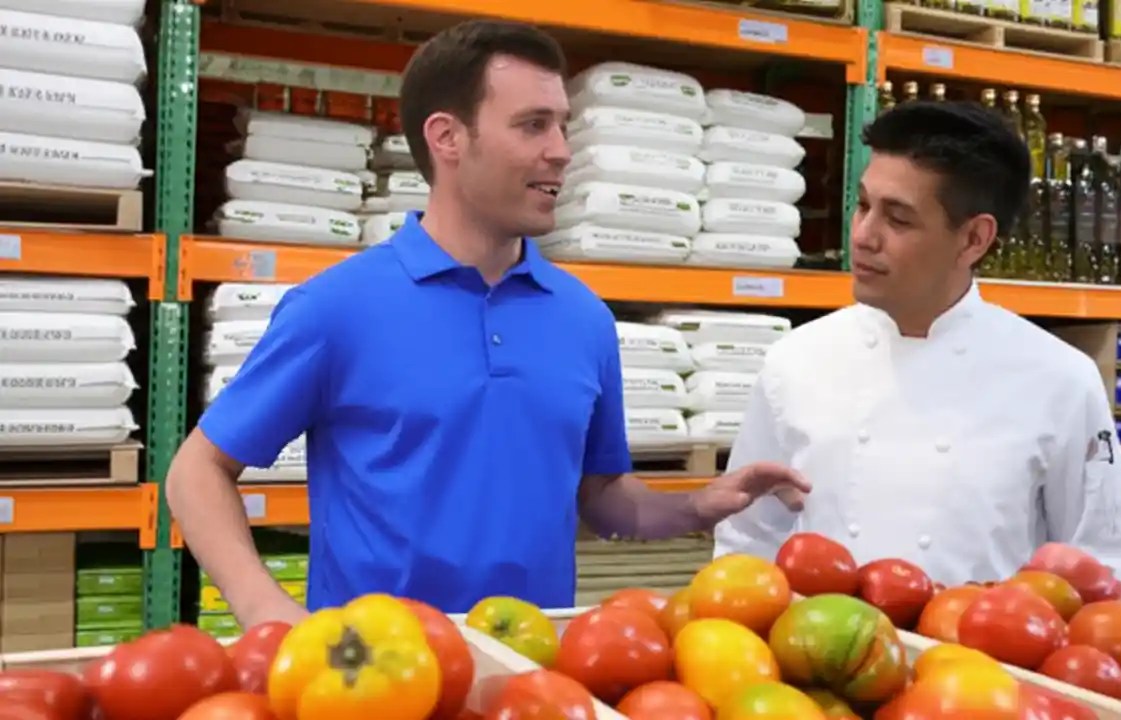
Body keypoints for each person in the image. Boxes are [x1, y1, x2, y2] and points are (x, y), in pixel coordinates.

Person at [166, 19, 808, 626]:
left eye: (562, 126)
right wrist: (262, 607)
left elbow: (602, 494)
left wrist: (698, 506)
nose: (561, 152)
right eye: (533, 125)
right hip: (374, 679)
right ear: (447, 137)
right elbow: (197, 472)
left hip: (531, 669)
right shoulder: (337, 309)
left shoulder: (583, 318)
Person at [712, 100, 1121, 589]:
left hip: (987, 660)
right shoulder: (794, 361)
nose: (863, 235)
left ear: (973, 240)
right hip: (824, 656)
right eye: (863, 205)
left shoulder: (1060, 379)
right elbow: (745, 546)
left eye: (897, 219)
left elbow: (1108, 568)